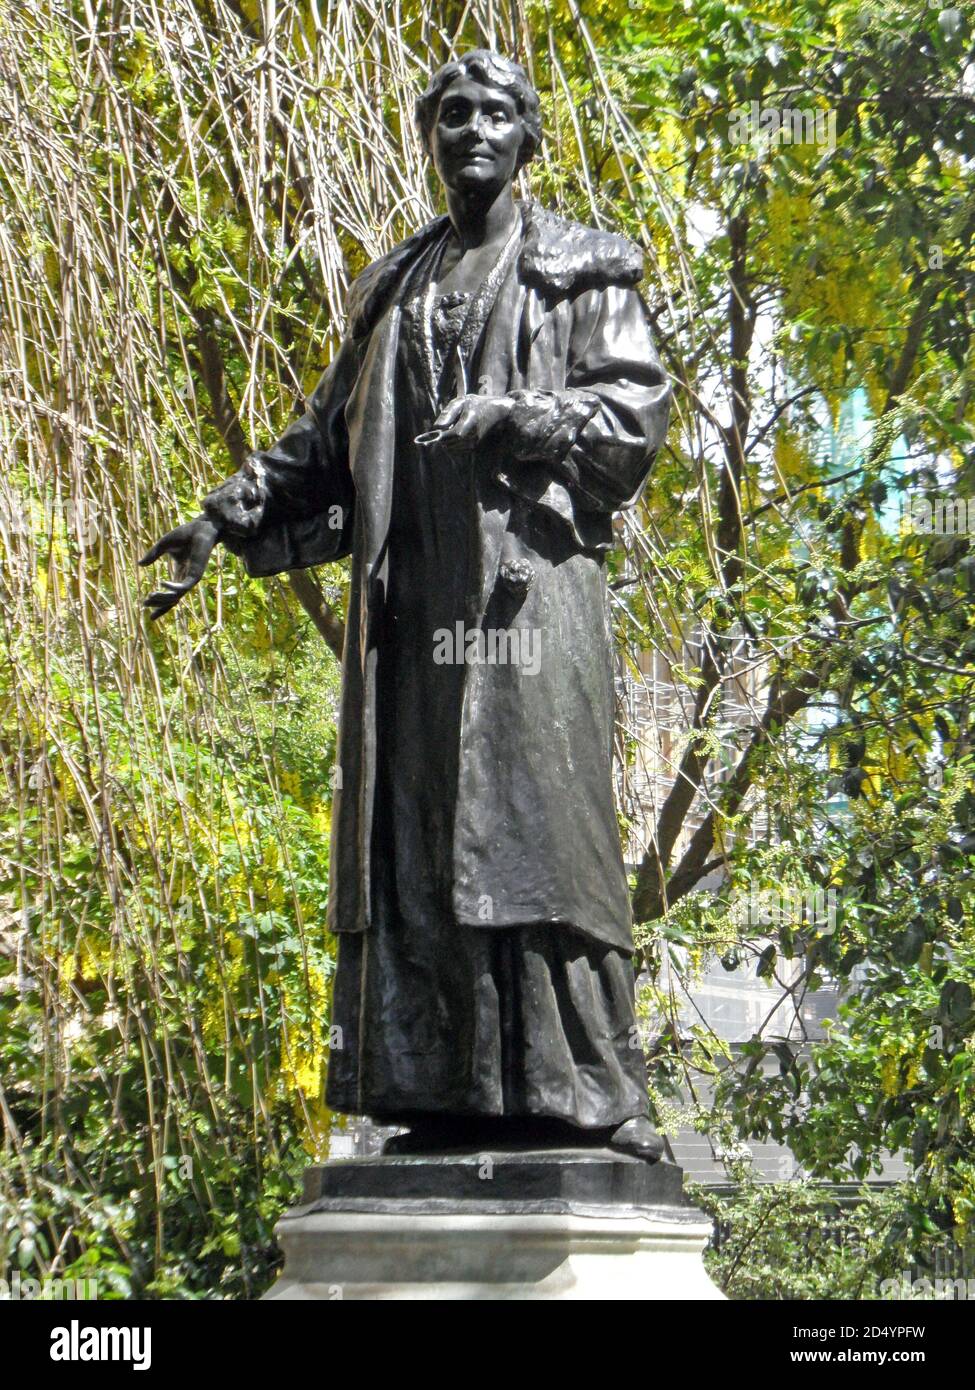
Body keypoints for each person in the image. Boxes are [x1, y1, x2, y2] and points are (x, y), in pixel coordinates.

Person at [142, 50, 671, 1160]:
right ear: (430, 136)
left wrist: (517, 417)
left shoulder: (580, 271)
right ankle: (447, 1090)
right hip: (416, 614)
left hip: (527, 605)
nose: (472, 130)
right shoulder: (396, 285)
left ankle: (589, 1095)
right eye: (451, 115)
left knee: (536, 840)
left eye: (495, 114)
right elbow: (325, 440)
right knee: (422, 845)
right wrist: (226, 515)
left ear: (529, 138)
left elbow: (632, 419)